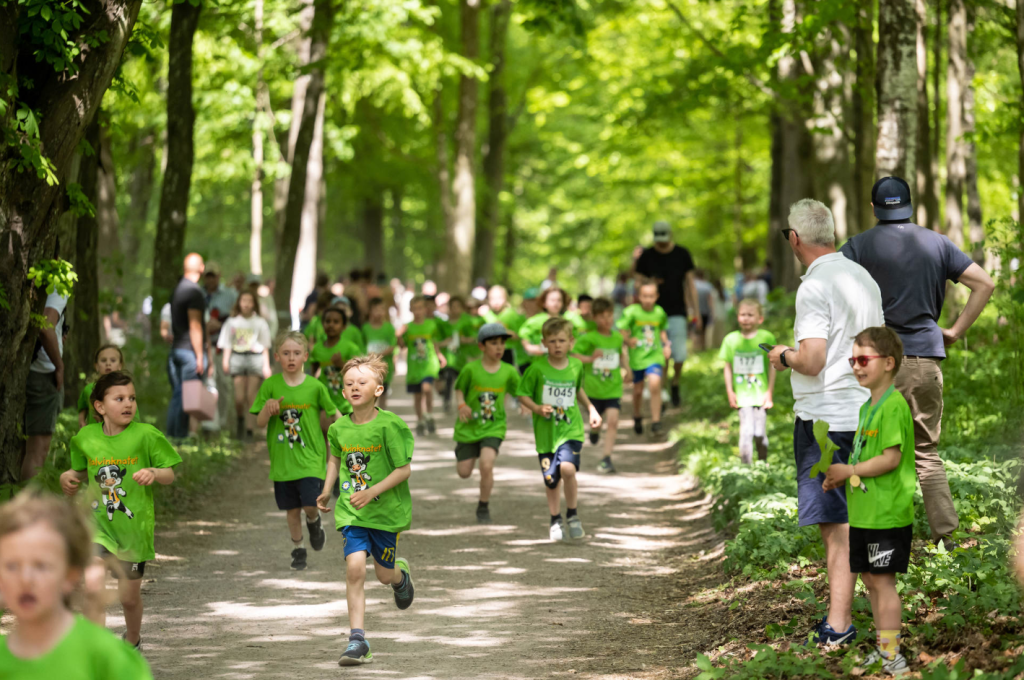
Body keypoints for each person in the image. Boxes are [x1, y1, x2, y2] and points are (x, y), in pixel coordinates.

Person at [840, 175, 996, 546]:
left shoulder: (858, 247)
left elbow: (834, 292)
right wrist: (954, 330)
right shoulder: (938, 243)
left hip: (876, 363)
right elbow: (985, 283)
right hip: (925, 358)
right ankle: (946, 537)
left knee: (872, 448)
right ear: (911, 205)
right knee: (925, 451)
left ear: (874, 208)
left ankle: (878, 535)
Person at [767, 198, 884, 646]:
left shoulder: (814, 286)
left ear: (795, 239)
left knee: (838, 529)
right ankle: (882, 630)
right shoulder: (864, 279)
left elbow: (812, 360)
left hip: (826, 421)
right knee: (863, 520)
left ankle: (838, 626)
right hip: (866, 413)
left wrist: (783, 356)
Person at [60, 371, 182, 651]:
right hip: (98, 527)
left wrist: (154, 472)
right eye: (119, 398)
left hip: (133, 532)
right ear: (100, 406)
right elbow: (81, 471)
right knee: (93, 588)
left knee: (128, 598)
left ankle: (133, 641)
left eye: (132, 398)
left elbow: (169, 474)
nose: (128, 403)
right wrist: (67, 477)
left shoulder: (146, 435)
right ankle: (98, 650)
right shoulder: (86, 437)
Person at [822, 327, 916, 675]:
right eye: (853, 361)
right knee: (872, 580)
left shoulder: (893, 406)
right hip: (865, 514)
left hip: (886, 514)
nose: (856, 367)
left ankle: (893, 656)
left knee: (883, 582)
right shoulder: (867, 407)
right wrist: (841, 476)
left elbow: (891, 459)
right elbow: (864, 457)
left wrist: (849, 470)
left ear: (888, 363)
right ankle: (884, 648)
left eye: (863, 359)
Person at [318, 355, 415, 666]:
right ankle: (358, 640)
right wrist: (327, 488)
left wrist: (372, 491)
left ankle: (400, 577)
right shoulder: (338, 428)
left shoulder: (390, 425)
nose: (355, 387)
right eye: (349, 383)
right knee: (355, 568)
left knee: (383, 575)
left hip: (385, 513)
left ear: (378, 390)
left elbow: (403, 469)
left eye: (362, 382)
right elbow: (335, 458)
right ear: (343, 392)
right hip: (352, 512)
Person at [0, 491, 154, 679]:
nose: (25, 579)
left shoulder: (110, 657)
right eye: (11, 566)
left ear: (70, 575)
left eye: (41, 566)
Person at [251, 332, 337, 571]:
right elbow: (259, 422)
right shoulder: (270, 386)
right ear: (277, 356)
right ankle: (298, 549)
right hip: (283, 461)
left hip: (311, 457)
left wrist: (349, 433)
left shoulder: (315, 387)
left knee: (310, 505)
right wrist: (268, 409)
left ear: (305, 357)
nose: (291, 358)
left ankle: (314, 521)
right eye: (286, 353)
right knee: (292, 510)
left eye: (297, 353)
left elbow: (333, 413)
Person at [517, 317, 602, 542]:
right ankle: (555, 519)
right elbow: (522, 394)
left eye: (562, 341)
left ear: (571, 342)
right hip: (546, 434)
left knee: (568, 469)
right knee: (551, 480)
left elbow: (577, 389)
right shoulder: (537, 369)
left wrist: (591, 409)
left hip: (570, 429)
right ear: (544, 342)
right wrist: (536, 408)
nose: (557, 345)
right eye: (552, 341)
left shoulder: (576, 366)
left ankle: (573, 515)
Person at [453, 324, 521, 524]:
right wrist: (462, 405)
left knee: (486, 464)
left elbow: (520, 392)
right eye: (494, 343)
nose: (499, 347)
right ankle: (469, 450)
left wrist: (529, 406)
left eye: (502, 343)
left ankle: (483, 506)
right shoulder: (470, 369)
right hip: (469, 426)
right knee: (464, 473)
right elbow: (459, 389)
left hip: (494, 426)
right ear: (481, 346)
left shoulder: (509, 371)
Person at [634, 220, 701, 408]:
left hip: (677, 311)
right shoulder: (646, 256)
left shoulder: (682, 254)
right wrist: (649, 284)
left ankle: (675, 382)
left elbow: (690, 285)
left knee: (679, 355)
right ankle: (660, 392)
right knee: (661, 355)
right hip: (653, 315)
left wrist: (696, 313)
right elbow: (637, 283)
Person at [572, 297, 628, 473]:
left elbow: (621, 355)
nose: (607, 320)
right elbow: (573, 355)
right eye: (602, 317)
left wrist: (628, 369)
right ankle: (594, 431)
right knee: (597, 423)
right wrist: (590, 358)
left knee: (612, 422)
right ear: (594, 317)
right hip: (593, 389)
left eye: (609, 316)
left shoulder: (617, 337)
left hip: (613, 388)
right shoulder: (589, 338)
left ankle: (606, 458)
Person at [718, 300, 776, 464]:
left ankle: (762, 464)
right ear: (737, 317)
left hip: (761, 395)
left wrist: (769, 392)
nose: (746, 318)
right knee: (746, 432)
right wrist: (730, 391)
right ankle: (746, 468)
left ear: (760, 319)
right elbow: (727, 367)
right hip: (743, 397)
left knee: (760, 434)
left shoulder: (766, 338)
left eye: (750, 315)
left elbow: (773, 365)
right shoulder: (730, 340)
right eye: (742, 314)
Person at [22, 288, 69, 481]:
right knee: (37, 451)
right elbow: (45, 326)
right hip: (43, 373)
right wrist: (59, 366)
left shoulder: (34, 278)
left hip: (23, 368)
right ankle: (29, 500)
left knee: (21, 447)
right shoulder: (58, 284)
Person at [617, 279, 671, 440]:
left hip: (654, 355)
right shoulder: (632, 311)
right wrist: (628, 340)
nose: (648, 299)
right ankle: (637, 414)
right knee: (638, 390)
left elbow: (662, 330)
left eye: (651, 296)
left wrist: (666, 345)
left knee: (655, 384)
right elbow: (622, 329)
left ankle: (656, 422)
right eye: (645, 296)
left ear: (657, 296)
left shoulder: (659, 312)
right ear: (639, 296)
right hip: (638, 357)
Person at [219, 290, 273, 440]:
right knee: (239, 398)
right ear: (239, 303)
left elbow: (265, 345)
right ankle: (240, 420)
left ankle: (249, 430)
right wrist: (225, 360)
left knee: (251, 395)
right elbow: (227, 343)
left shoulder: (260, 322)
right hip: (237, 358)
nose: (246, 304)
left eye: (250, 301)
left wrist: (266, 365)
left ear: (254, 304)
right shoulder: (232, 322)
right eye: (244, 300)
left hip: (255, 358)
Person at [166, 253, 207, 440]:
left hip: (176, 350)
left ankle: (170, 437)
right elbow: (195, 325)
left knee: (178, 396)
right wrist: (199, 355)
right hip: (189, 351)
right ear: (201, 268)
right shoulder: (194, 292)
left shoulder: (178, 289)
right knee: (187, 398)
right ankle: (180, 439)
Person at [400, 296, 446, 435]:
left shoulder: (431, 325)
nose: (418, 311)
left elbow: (435, 342)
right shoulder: (408, 327)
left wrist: (440, 355)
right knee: (417, 395)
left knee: (427, 388)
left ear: (425, 309)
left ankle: (429, 414)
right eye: (415, 309)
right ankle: (420, 420)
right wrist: (399, 336)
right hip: (414, 366)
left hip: (429, 364)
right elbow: (402, 346)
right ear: (410, 310)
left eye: (420, 308)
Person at [203, 262, 238, 432]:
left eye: (213, 276)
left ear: (219, 276)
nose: (210, 279)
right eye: (207, 276)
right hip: (204, 345)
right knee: (208, 382)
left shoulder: (230, 294)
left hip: (223, 346)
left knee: (224, 383)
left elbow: (238, 317)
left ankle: (223, 420)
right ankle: (210, 421)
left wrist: (221, 325)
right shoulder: (199, 294)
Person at [309, 308, 362, 416]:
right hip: (325, 403)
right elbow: (313, 374)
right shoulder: (317, 349)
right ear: (323, 324)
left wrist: (342, 364)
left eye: (336, 322)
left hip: (347, 403)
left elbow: (360, 373)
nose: (331, 325)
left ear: (344, 326)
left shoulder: (351, 348)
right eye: (328, 321)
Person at [77, 345, 140, 428]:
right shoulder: (88, 389)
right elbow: (82, 407)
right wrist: (82, 421)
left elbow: (133, 414)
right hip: (94, 433)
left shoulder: (125, 389)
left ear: (120, 365)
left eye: (113, 360)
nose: (108, 364)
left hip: (120, 432)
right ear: (96, 366)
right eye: (103, 360)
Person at [362, 298, 398, 410]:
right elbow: (361, 346)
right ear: (370, 311)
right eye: (376, 309)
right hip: (369, 367)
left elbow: (392, 346)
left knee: (382, 392)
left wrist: (379, 355)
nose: (379, 312)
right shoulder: (365, 328)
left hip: (384, 367)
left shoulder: (389, 327)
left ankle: (382, 412)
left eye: (381, 309)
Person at [519, 286, 570, 362]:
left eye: (559, 300)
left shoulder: (567, 322)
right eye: (552, 300)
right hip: (541, 363)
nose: (555, 303)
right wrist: (532, 348)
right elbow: (523, 336)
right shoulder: (535, 321)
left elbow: (573, 342)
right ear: (544, 303)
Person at [483, 285, 526, 368]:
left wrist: (502, 329)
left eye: (499, 298)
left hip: (509, 352)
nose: (496, 302)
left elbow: (519, 336)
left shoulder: (511, 314)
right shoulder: (487, 314)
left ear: (506, 299)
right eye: (492, 298)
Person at [692, 269, 716, 352]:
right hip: (705, 312)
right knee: (704, 331)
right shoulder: (708, 285)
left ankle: (695, 348)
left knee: (695, 330)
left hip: (694, 313)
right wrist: (712, 312)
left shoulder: (693, 284)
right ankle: (703, 348)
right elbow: (710, 300)